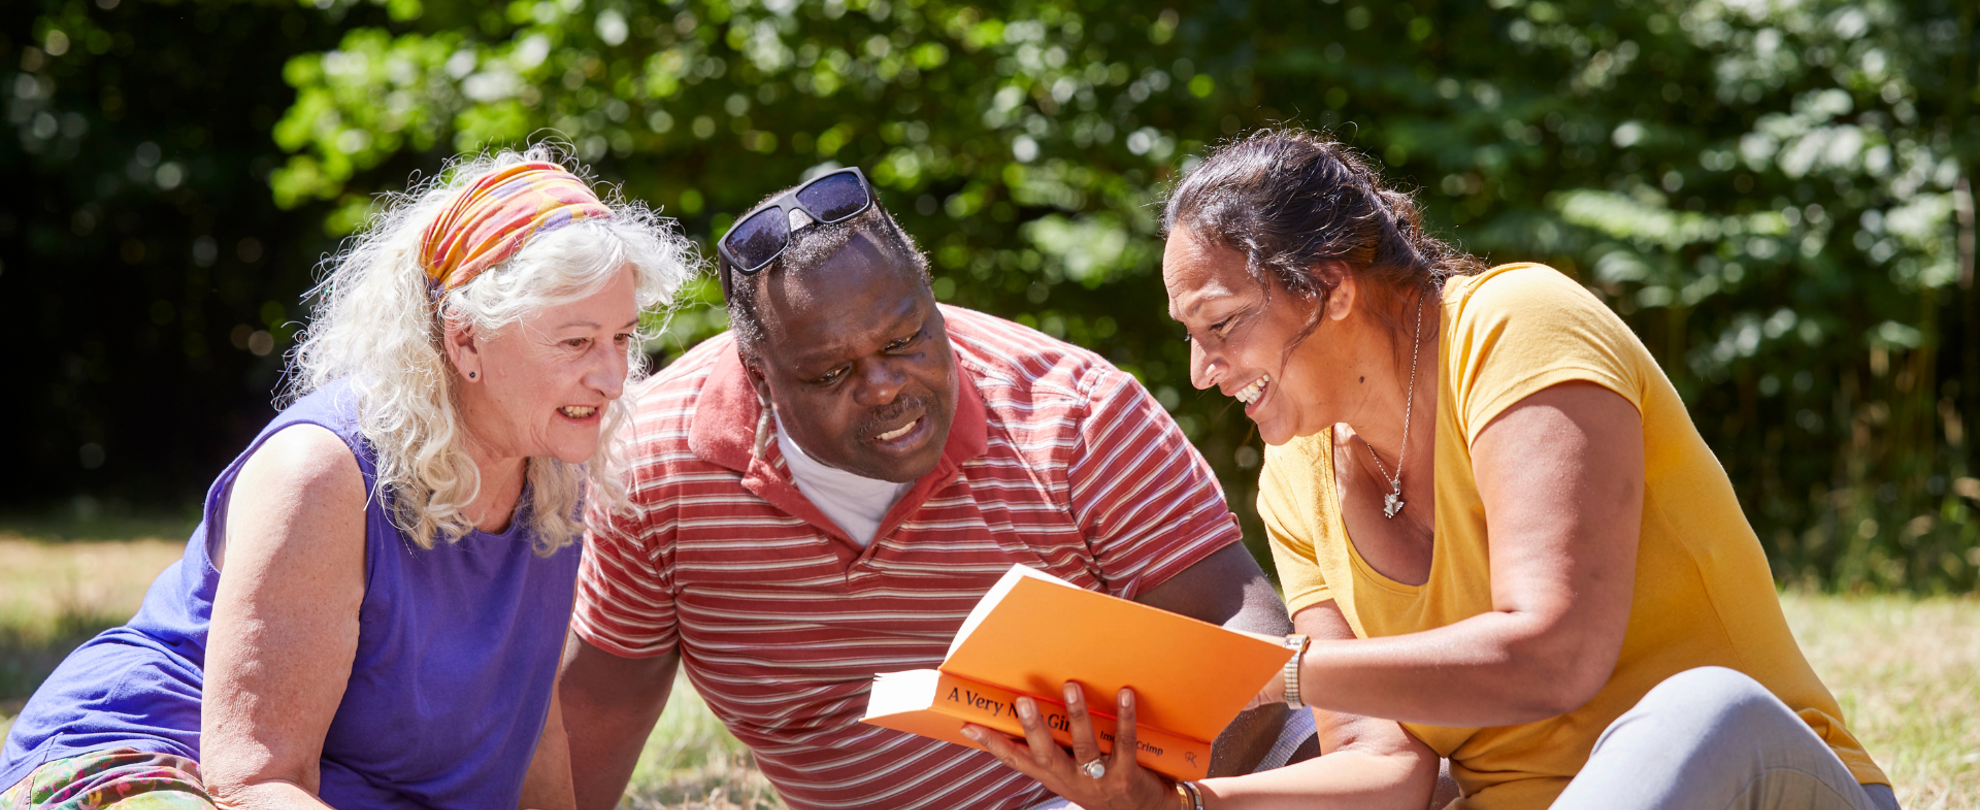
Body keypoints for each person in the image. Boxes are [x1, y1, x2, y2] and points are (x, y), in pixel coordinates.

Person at [971, 128, 1898, 810]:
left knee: (1709, 708)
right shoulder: (1294, 478)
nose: (1201, 371)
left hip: (1756, 784)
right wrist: (1184, 807)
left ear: (1329, 287)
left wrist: (1278, 674)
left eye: (1220, 325)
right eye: (1190, 336)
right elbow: (1387, 770)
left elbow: (1554, 654)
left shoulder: (1516, 326)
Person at [557, 167, 1313, 810]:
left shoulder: (1073, 411)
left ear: (931, 302)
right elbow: (602, 706)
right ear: (759, 377)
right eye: (831, 373)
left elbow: (1242, 635)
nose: (885, 388)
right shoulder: (653, 464)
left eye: (905, 340)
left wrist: (1163, 795)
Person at [0, 150, 694, 810]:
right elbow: (254, 780)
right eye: (576, 341)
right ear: (465, 340)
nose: (610, 377)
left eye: (623, 338)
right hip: (146, 768)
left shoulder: (556, 455)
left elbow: (531, 722)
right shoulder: (323, 470)